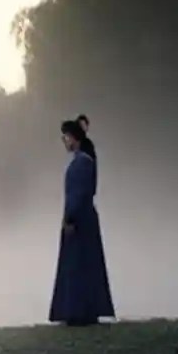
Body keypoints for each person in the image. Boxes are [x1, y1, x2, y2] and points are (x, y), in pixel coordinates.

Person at [50, 120, 115, 327]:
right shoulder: (84, 161)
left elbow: (78, 194)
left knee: (79, 265)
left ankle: (79, 310)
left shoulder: (82, 163)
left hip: (80, 220)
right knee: (82, 264)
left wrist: (70, 218)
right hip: (84, 218)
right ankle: (82, 309)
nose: (64, 142)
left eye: (66, 137)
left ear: (74, 139)